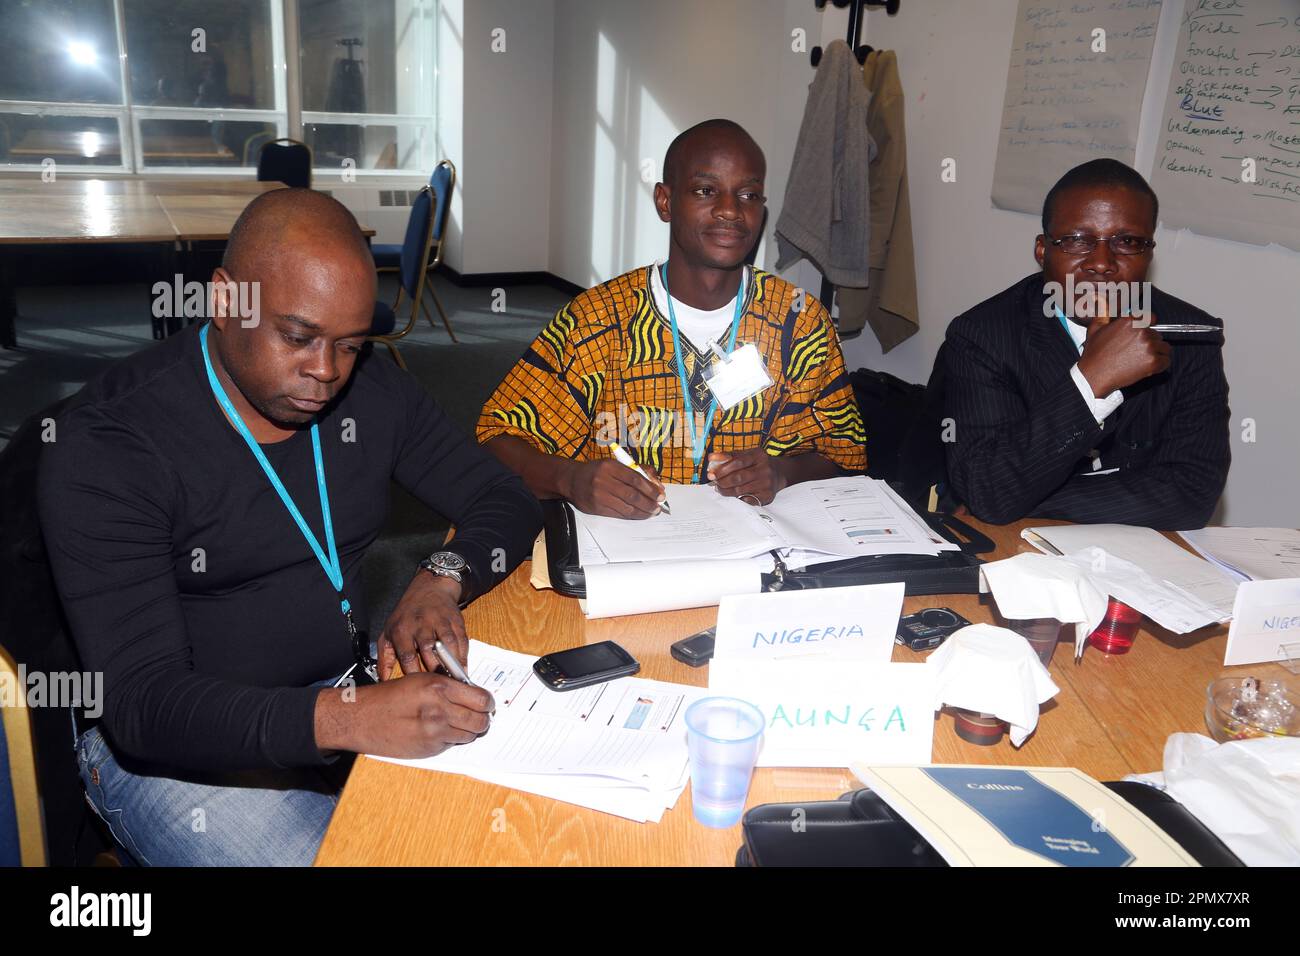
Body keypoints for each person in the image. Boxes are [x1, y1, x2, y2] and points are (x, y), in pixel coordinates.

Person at [38, 189, 542, 866]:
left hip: (337, 689)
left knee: (493, 831)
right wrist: (345, 720)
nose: (326, 373)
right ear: (224, 302)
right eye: (297, 337)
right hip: (170, 752)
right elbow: (141, 704)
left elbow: (505, 497)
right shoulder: (111, 444)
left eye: (351, 344)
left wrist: (441, 578)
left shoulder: (371, 390)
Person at [478, 119, 866, 518]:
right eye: (705, 191)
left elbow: (846, 453)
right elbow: (496, 438)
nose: (731, 210)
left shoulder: (798, 323)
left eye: (748, 195)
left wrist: (782, 473)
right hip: (626, 554)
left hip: (757, 557)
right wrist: (571, 480)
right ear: (665, 201)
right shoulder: (596, 319)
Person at [941, 159, 1230, 530]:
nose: (1101, 263)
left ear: (1149, 254)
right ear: (1043, 250)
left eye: (1127, 242)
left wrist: (1026, 497)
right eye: (1078, 240)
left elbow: (1193, 495)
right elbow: (989, 487)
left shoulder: (1191, 335)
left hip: (1139, 556)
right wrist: (1091, 380)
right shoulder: (982, 335)